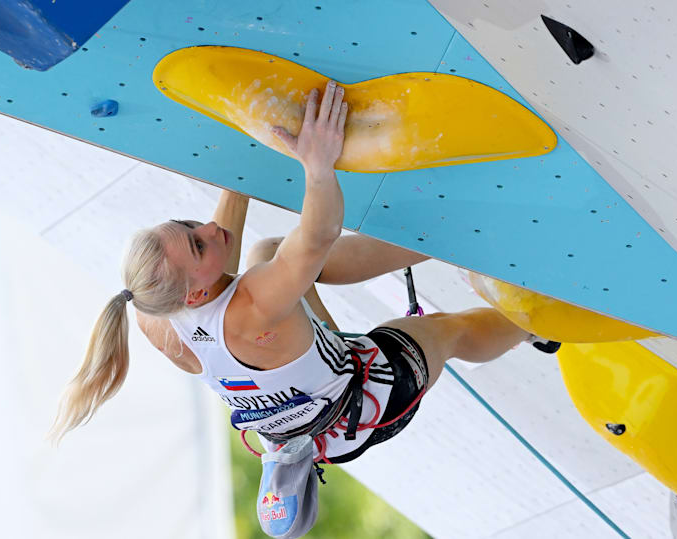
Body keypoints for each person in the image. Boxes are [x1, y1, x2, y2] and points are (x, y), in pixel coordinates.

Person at [52, 79, 551, 462]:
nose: (207, 227)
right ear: (195, 296)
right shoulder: (255, 304)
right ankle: (538, 324)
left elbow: (224, 252)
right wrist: (318, 162)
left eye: (188, 225)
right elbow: (317, 235)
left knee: (267, 249)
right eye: (198, 244)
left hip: (304, 407)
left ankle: (440, 242)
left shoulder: (151, 309)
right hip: (366, 405)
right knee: (445, 330)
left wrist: (241, 159)